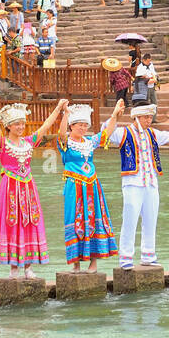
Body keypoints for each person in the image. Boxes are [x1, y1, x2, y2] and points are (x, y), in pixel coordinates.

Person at [107, 95, 169, 269]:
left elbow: (167, 136)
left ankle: (148, 255)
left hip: (151, 182)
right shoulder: (124, 132)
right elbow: (107, 132)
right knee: (130, 220)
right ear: (137, 116)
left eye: (150, 117)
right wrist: (114, 116)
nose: (149, 120)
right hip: (132, 183)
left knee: (151, 219)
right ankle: (126, 257)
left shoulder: (152, 133)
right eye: (146, 117)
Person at [0, 98, 62, 277]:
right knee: (12, 223)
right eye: (17, 124)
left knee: (29, 222)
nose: (21, 127)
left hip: (28, 187)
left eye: (22, 124)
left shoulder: (29, 142)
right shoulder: (3, 144)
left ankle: (28, 267)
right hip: (10, 189)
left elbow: (45, 126)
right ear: (9, 127)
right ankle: (14, 267)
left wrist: (59, 108)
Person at [58, 101, 121, 272]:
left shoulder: (90, 142)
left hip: (92, 186)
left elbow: (107, 132)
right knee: (74, 219)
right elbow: (61, 134)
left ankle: (93, 262)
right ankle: (76, 263)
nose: (83, 128)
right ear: (72, 125)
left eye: (86, 125)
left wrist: (115, 114)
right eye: (80, 125)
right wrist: (64, 113)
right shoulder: (66, 143)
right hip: (74, 187)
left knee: (93, 218)